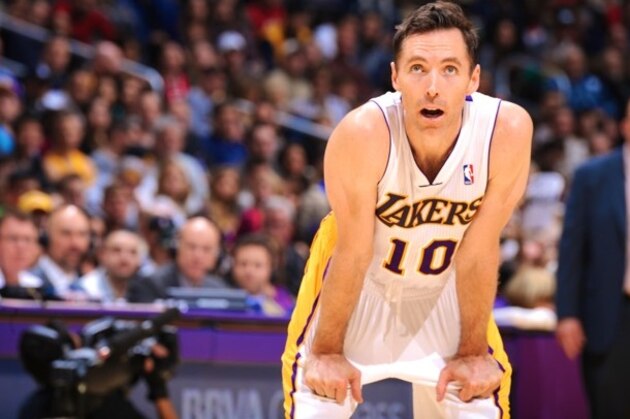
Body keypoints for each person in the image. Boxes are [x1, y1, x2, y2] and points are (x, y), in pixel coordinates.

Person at [281, 2, 532, 418]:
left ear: (473, 79)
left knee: (480, 400)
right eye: (417, 68)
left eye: (449, 69)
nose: (432, 87)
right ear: (395, 77)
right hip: (357, 289)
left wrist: (472, 352)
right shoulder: (363, 133)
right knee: (318, 396)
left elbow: (479, 251)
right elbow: (353, 251)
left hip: (446, 291)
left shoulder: (506, 132)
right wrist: (327, 351)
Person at [555, 99, 630, 418]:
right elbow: (571, 249)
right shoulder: (592, 176)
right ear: (624, 125)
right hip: (610, 315)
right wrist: (567, 313)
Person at [128, 216, 228, 302]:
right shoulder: (151, 285)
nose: (198, 256)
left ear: (216, 254)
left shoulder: (220, 290)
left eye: (206, 249)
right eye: (191, 247)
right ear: (177, 247)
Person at [77, 230, 146, 302]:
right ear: (102, 254)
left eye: (132, 252)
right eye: (117, 250)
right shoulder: (84, 290)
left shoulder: (146, 290)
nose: (125, 258)